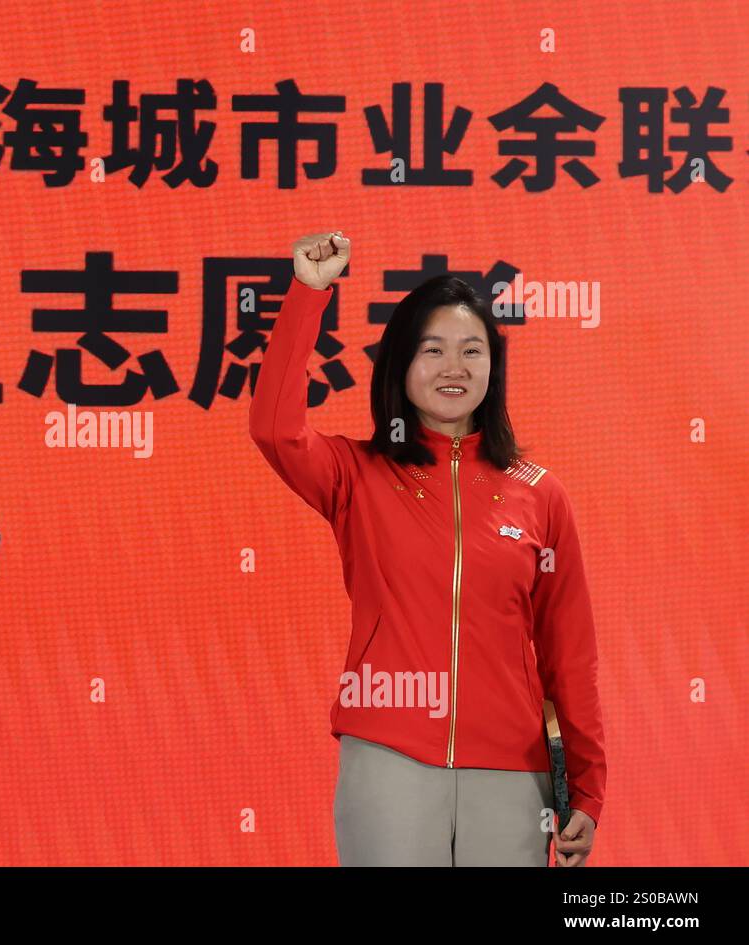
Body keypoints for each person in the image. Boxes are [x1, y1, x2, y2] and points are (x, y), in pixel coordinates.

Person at [248, 231, 605, 866]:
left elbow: (569, 655)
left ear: (494, 368)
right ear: (399, 364)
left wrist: (587, 786)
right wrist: (309, 292)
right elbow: (275, 427)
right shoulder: (355, 473)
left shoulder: (539, 495)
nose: (454, 368)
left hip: (512, 773)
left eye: (473, 351)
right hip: (389, 760)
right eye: (432, 349)